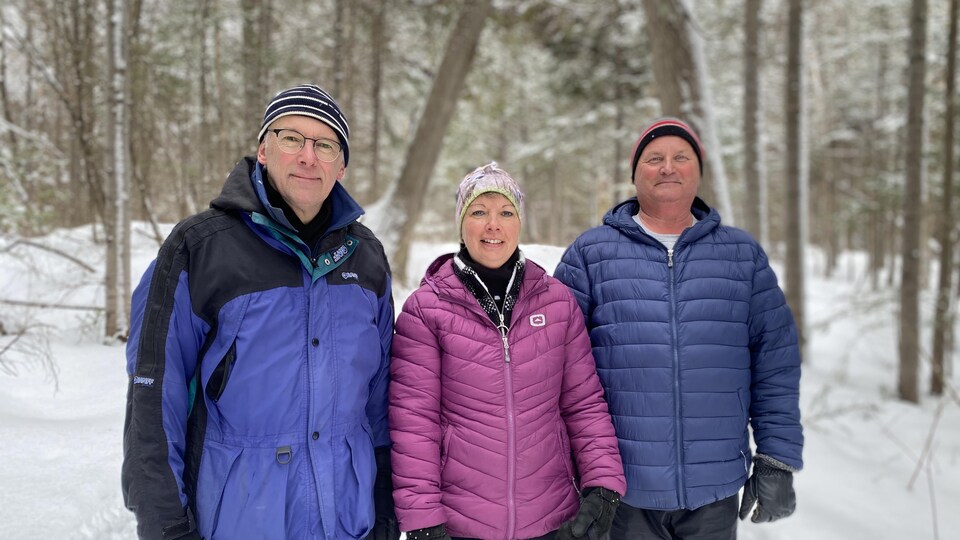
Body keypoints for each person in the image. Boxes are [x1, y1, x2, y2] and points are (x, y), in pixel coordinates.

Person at [122, 84, 398, 540]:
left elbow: (380, 397)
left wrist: (386, 508)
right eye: (292, 138)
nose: (309, 157)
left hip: (348, 521)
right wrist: (165, 524)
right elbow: (154, 397)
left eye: (326, 145)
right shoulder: (200, 248)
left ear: (341, 166)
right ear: (264, 149)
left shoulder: (366, 257)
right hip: (239, 519)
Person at [555, 118, 804, 539]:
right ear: (635, 174)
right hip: (618, 490)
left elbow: (775, 362)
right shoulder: (591, 254)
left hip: (714, 491)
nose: (667, 167)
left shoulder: (741, 256)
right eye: (654, 159)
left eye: (680, 157)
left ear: (698, 172)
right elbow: (553, 363)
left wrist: (777, 457)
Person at [389, 163, 626, 540]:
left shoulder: (557, 303)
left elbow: (583, 403)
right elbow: (413, 421)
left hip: (551, 518)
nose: (493, 225)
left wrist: (603, 482)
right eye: (479, 212)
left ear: (520, 222)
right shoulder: (426, 309)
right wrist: (421, 517)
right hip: (460, 524)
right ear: (461, 223)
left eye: (506, 212)